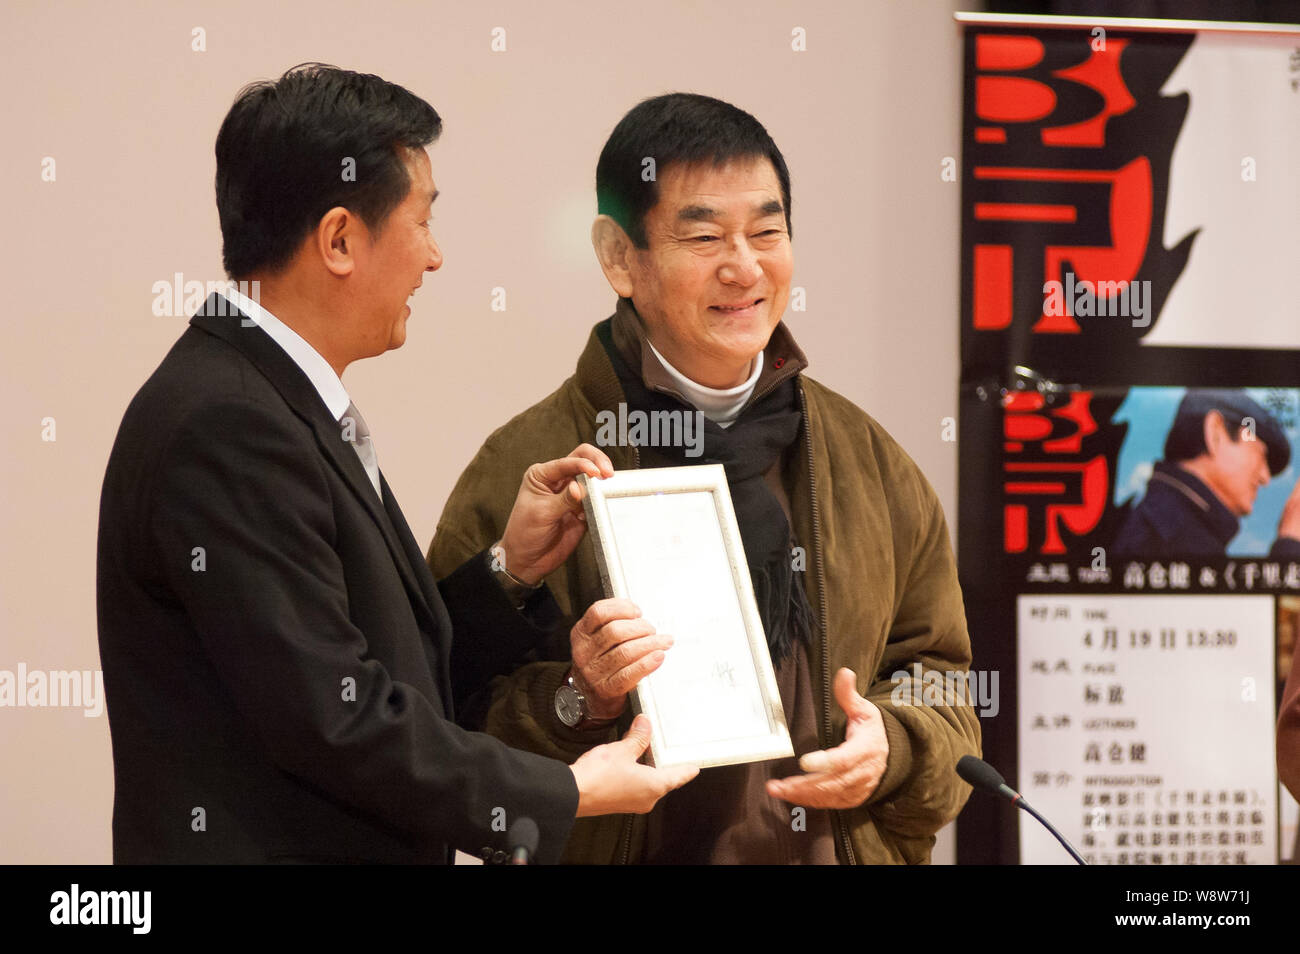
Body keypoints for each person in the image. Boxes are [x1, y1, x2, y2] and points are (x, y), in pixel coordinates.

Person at [95, 64, 695, 865]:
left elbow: (373, 665)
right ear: (341, 239)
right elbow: (335, 720)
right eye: (423, 221)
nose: (436, 258)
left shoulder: (269, 398)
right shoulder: (230, 422)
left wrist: (508, 570)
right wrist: (566, 794)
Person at [427, 93, 982, 864]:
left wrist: (892, 746)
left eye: (767, 231)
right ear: (621, 257)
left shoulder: (870, 463)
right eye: (704, 236)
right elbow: (442, 721)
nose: (745, 266)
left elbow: (946, 683)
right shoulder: (534, 467)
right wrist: (578, 700)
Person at [1113, 389, 1299, 559]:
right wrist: (1289, 550)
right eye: (1261, 455)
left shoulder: (1158, 522)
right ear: (1215, 433)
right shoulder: (1168, 541)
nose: (1265, 478)